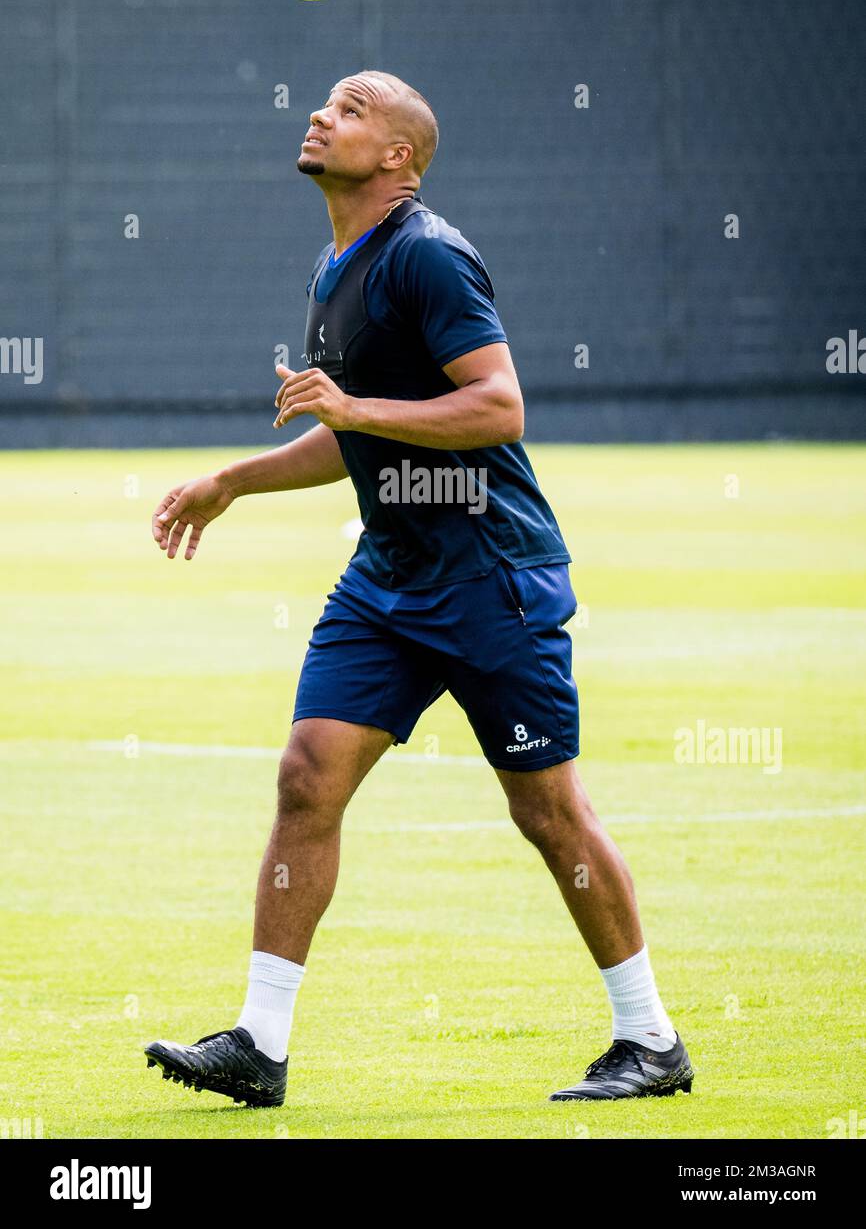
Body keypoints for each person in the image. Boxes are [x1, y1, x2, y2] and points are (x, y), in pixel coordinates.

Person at [145, 70, 693, 1108]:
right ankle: (259, 1044)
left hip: (490, 575)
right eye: (323, 103)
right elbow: (352, 428)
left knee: (549, 815)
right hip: (387, 578)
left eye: (349, 109)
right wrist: (234, 481)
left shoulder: (427, 256)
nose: (320, 114)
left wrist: (354, 404)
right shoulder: (332, 264)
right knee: (308, 774)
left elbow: (496, 408)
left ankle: (648, 1037)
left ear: (397, 157)